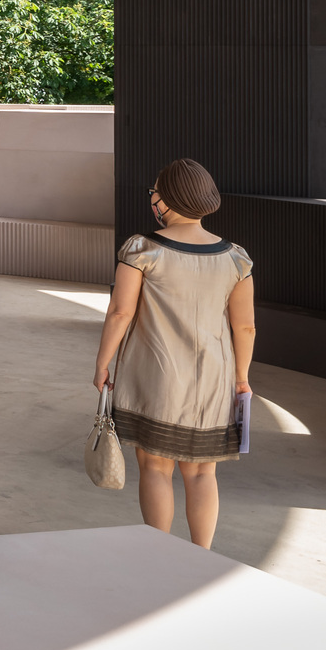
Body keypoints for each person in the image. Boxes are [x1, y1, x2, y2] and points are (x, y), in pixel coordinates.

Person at [93, 158, 257, 549]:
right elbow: (245, 327)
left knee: (155, 467)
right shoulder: (236, 258)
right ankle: (202, 556)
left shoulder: (142, 249)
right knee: (202, 474)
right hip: (213, 380)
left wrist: (102, 364)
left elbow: (120, 312)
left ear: (165, 199)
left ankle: (160, 556)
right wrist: (241, 378)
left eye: (155, 191)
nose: (152, 197)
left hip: (156, 377)